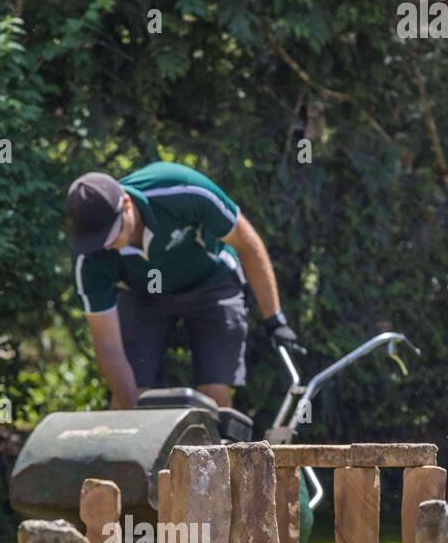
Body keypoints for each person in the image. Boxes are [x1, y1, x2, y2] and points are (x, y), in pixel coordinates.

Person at [66, 160, 300, 409]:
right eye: (97, 240)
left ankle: (223, 444)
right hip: (143, 295)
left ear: (125, 204)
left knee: (212, 393)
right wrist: (134, 418)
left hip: (212, 283)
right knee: (134, 393)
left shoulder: (181, 190)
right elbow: (108, 345)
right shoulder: (89, 256)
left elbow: (247, 243)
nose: (107, 245)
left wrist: (274, 318)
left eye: (111, 235)